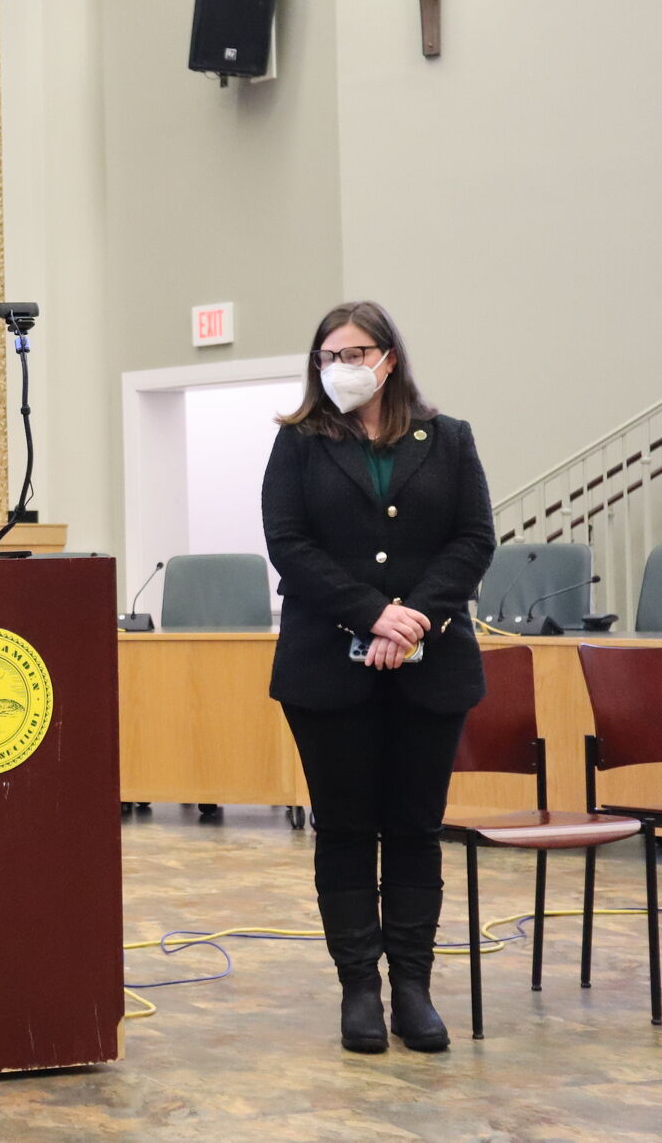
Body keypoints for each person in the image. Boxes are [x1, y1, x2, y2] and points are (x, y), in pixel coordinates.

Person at [260, 300, 495, 1055]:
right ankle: (359, 987)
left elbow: (473, 538)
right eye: (328, 355)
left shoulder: (449, 439)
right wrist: (371, 614)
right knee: (346, 829)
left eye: (356, 353)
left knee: (416, 828)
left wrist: (414, 617)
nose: (342, 367)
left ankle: (415, 988)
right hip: (327, 667)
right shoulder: (298, 444)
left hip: (432, 666)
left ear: (389, 359)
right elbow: (289, 544)